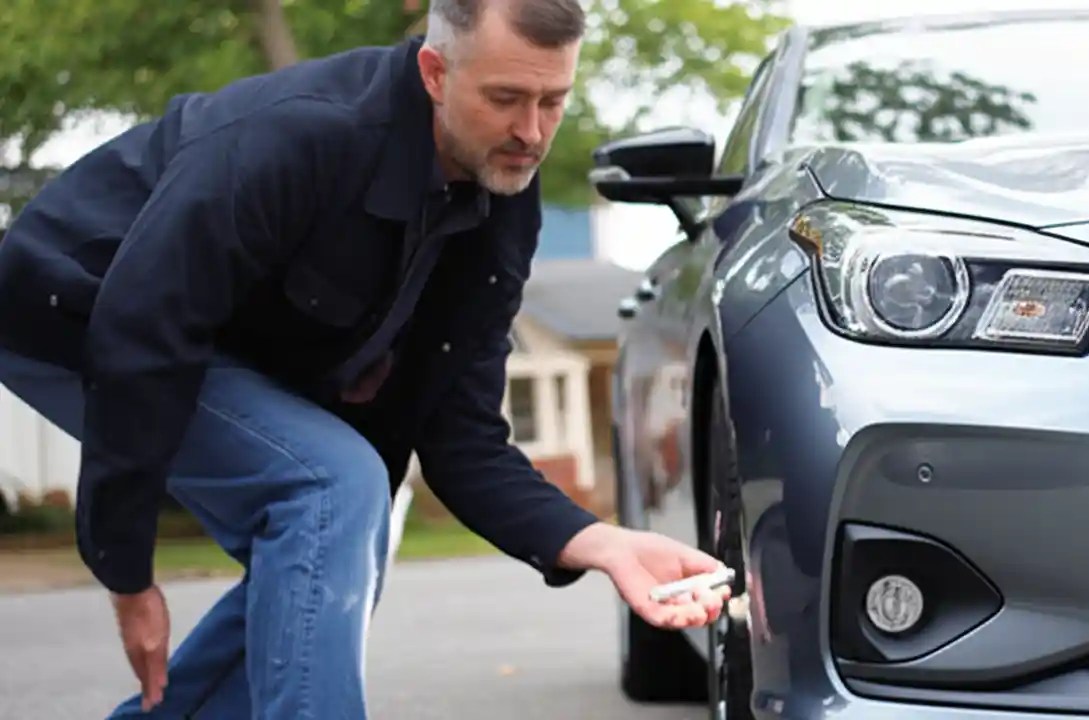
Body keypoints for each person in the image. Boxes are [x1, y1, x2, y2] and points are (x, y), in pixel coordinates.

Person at [0, 0, 730, 716]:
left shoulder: (501, 198)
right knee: (333, 485)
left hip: (196, 336)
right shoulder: (300, 136)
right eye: (506, 98)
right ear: (435, 74)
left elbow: (461, 436)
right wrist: (128, 573)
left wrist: (603, 544)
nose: (530, 132)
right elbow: (142, 331)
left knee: (340, 530)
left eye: (553, 100)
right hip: (75, 306)